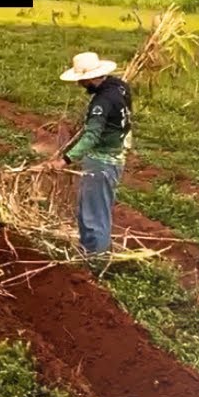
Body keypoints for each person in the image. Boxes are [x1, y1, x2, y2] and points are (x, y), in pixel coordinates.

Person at [43, 52, 133, 257]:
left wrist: (64, 160)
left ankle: (95, 260)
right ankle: (88, 252)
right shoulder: (120, 86)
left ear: (90, 78)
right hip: (115, 156)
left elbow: (91, 136)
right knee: (93, 210)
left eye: (82, 81)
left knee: (94, 215)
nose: (80, 85)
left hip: (101, 162)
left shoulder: (101, 103)